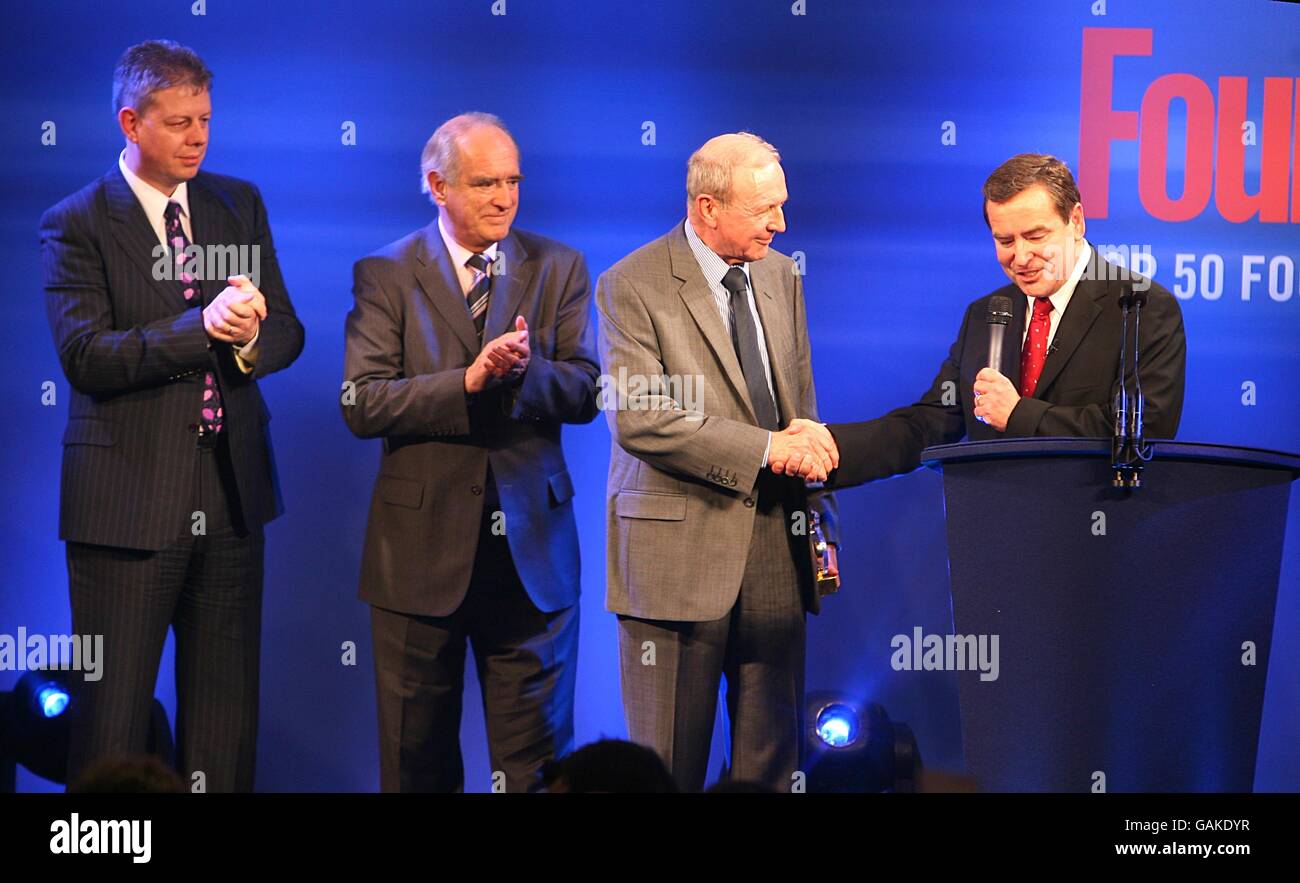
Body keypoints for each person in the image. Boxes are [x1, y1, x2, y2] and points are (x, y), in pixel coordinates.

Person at [41, 39, 304, 792]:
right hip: (125, 505)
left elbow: (286, 328)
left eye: (206, 120)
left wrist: (250, 334)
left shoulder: (236, 203)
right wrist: (204, 328)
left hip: (230, 497)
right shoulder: (77, 223)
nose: (198, 137)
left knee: (223, 726)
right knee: (112, 719)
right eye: (180, 122)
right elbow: (86, 356)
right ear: (131, 121)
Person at [342, 113, 599, 793]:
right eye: (485, 182)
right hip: (419, 560)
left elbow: (585, 389)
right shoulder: (386, 273)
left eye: (513, 180)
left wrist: (523, 373)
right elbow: (362, 402)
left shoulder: (559, 265)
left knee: (539, 770)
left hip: (532, 560)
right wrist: (467, 381)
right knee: (416, 763)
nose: (504, 197)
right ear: (437, 185)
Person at [597, 132, 840, 792]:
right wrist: (766, 448)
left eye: (781, 206)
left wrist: (819, 519)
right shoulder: (631, 285)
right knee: (667, 770)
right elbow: (641, 417)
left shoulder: (782, 273)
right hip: (677, 558)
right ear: (707, 207)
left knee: (770, 769)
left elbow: (802, 407)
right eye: (765, 209)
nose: (780, 223)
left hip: (776, 553)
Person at [815, 153, 1186, 489]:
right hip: (995, 534)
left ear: (1076, 221)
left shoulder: (1140, 306)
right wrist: (833, 448)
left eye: (1035, 236)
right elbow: (931, 425)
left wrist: (1020, 415)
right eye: (1004, 240)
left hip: (1094, 536)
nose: (1021, 256)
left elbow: (1140, 433)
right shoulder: (986, 313)